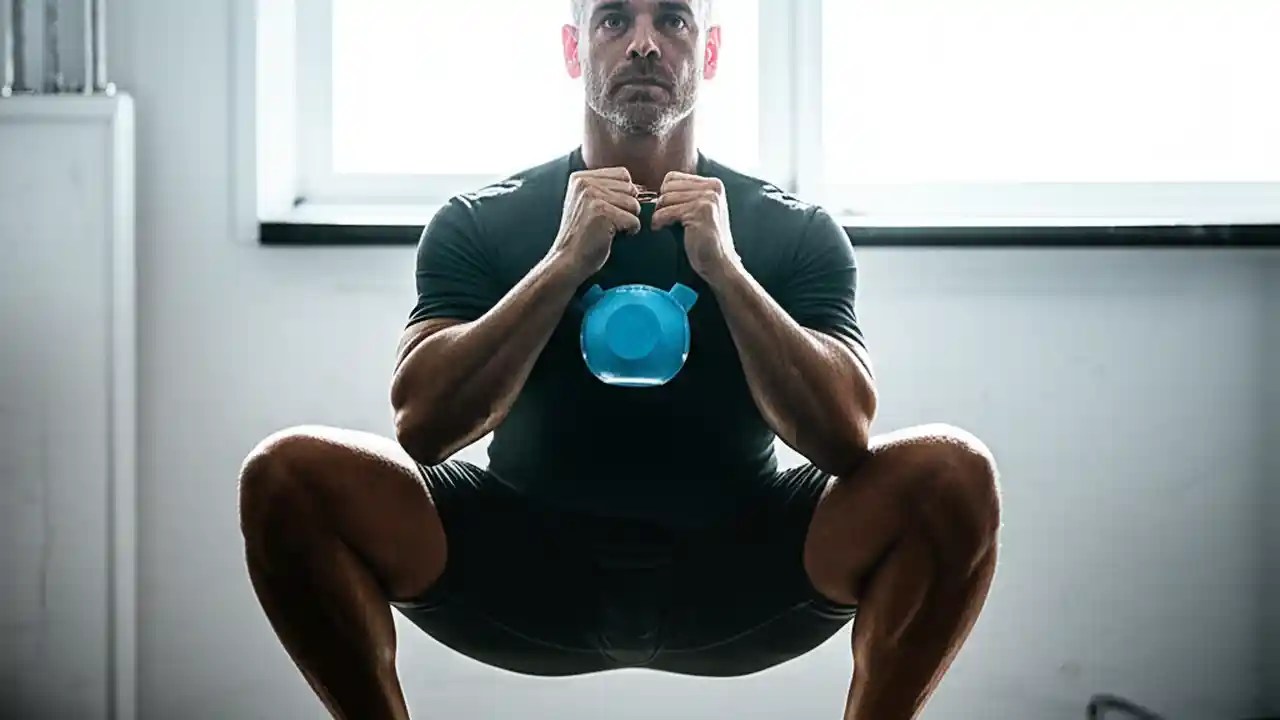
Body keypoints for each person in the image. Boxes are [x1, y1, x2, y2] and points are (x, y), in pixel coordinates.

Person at [237, 1, 1003, 718]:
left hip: (737, 565)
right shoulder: (480, 222)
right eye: (613, 19)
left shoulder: (791, 232)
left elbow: (844, 440)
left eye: (671, 18)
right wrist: (562, 263)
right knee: (288, 474)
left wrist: (726, 271)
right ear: (575, 48)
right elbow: (422, 428)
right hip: (525, 566)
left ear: (708, 48)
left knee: (952, 472)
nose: (643, 42)